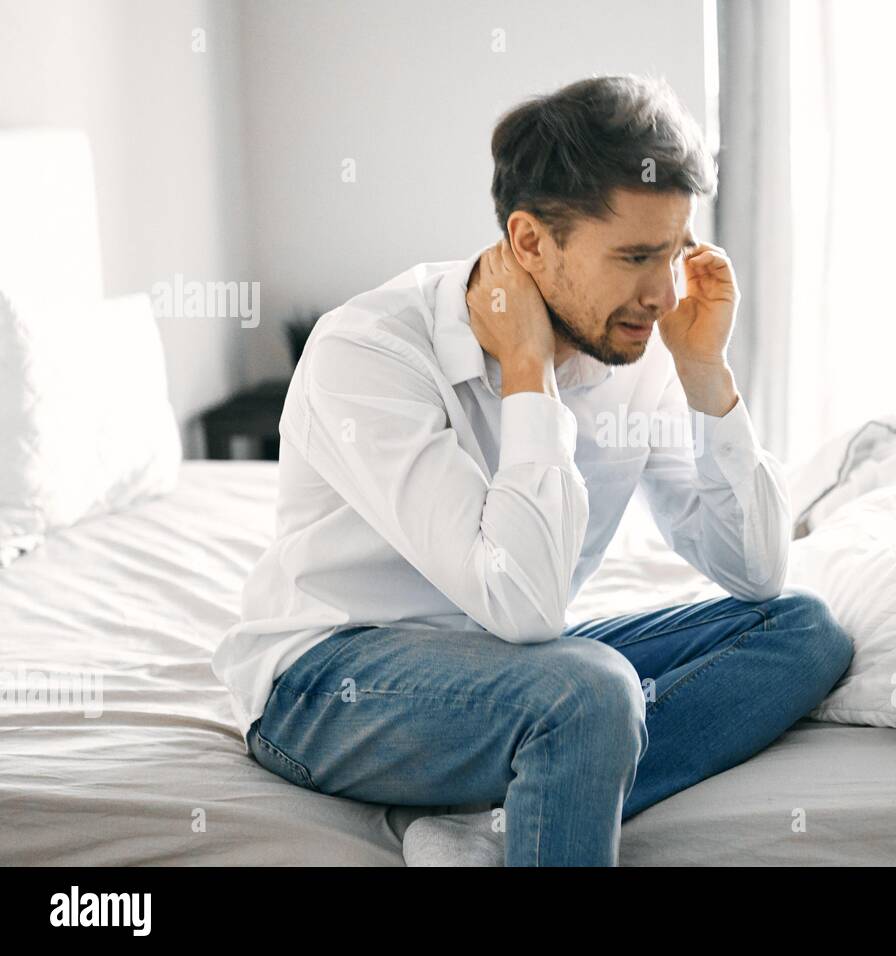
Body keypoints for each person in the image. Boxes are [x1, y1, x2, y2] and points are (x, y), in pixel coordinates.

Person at [211, 73, 853, 866]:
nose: (662, 293)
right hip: (327, 685)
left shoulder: (642, 345)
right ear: (528, 243)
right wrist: (526, 368)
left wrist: (706, 376)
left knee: (799, 630)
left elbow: (755, 571)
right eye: (634, 256)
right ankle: (561, 757)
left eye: (677, 253)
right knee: (589, 694)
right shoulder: (368, 350)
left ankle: (507, 818)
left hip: (517, 671)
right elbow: (522, 603)